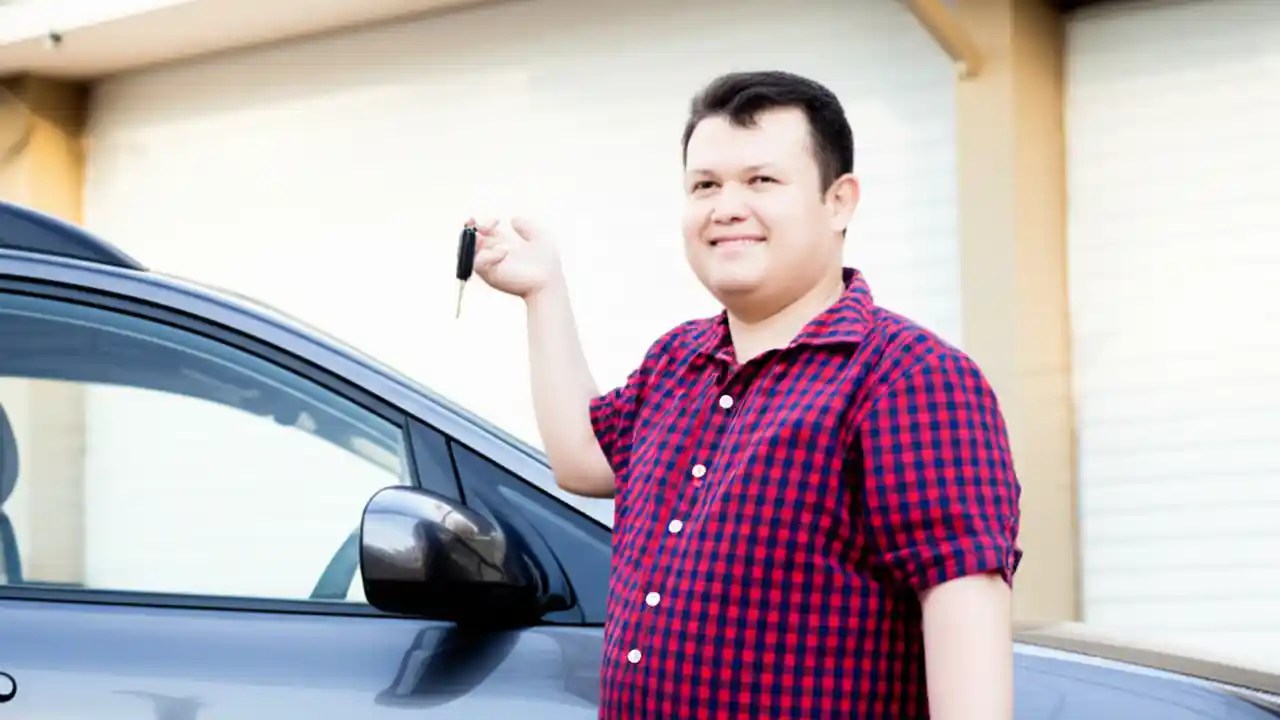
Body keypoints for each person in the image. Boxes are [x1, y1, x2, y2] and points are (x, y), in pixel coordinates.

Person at [468, 70, 1022, 720]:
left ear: (839, 200)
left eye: (761, 181)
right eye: (705, 185)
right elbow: (584, 459)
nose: (726, 207)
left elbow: (965, 612)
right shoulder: (679, 361)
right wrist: (543, 291)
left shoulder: (908, 380)